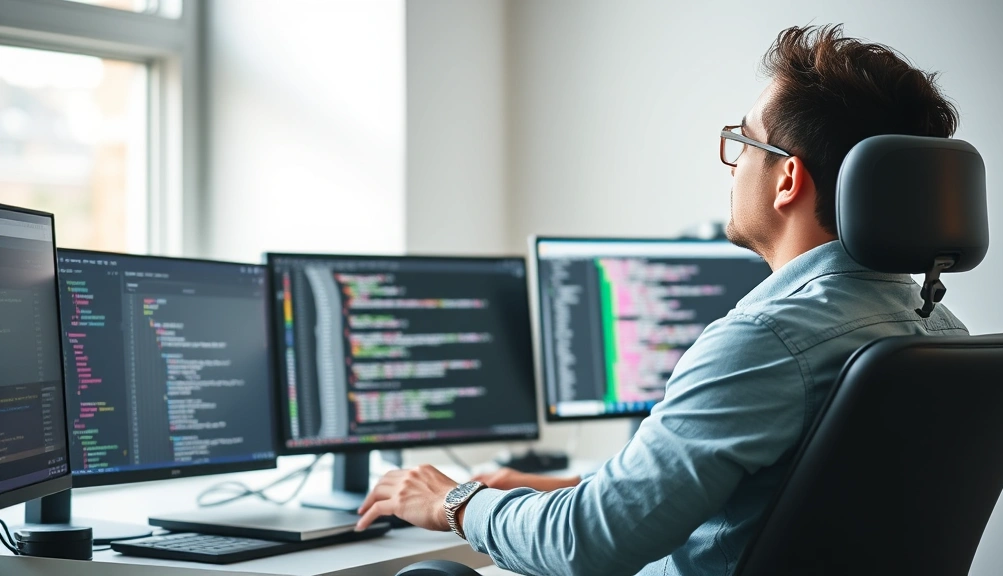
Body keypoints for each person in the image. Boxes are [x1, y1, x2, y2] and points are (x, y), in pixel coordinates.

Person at [355, 24, 967, 576]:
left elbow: (587, 544)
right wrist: (570, 483)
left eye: (743, 141)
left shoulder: (769, 338)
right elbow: (770, 488)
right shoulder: (941, 334)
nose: (733, 165)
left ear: (787, 179)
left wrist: (453, 501)